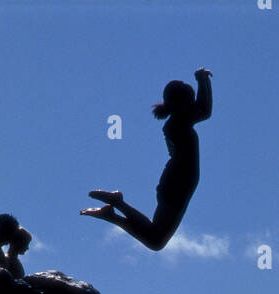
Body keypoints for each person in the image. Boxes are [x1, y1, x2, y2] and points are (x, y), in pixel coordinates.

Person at [81, 69, 213, 250]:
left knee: (155, 238)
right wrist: (202, 79)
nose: (193, 106)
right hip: (178, 182)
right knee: (156, 240)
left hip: (176, 182)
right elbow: (205, 109)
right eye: (190, 101)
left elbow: (203, 109)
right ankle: (116, 206)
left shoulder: (176, 122)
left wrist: (201, 81)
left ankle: (114, 210)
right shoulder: (179, 122)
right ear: (182, 103)